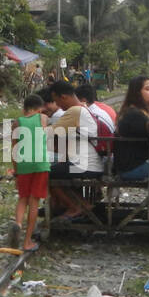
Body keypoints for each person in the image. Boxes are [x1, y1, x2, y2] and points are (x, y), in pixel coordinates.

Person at [47, 80, 102, 219]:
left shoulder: (75, 111)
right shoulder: (82, 109)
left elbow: (49, 132)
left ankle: (74, 206)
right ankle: (81, 204)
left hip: (84, 166)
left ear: (63, 97)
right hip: (88, 163)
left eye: (57, 101)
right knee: (55, 169)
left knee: (45, 173)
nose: (57, 106)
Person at [9, 94, 50, 251]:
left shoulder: (17, 123)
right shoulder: (43, 118)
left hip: (23, 165)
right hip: (40, 165)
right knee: (34, 202)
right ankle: (27, 242)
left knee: (22, 198)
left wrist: (17, 170)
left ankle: (18, 224)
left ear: (24, 108)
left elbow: (14, 150)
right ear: (38, 108)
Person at [115, 75, 149, 181]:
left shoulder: (140, 112)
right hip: (132, 167)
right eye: (147, 89)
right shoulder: (134, 115)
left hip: (140, 163)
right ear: (137, 93)